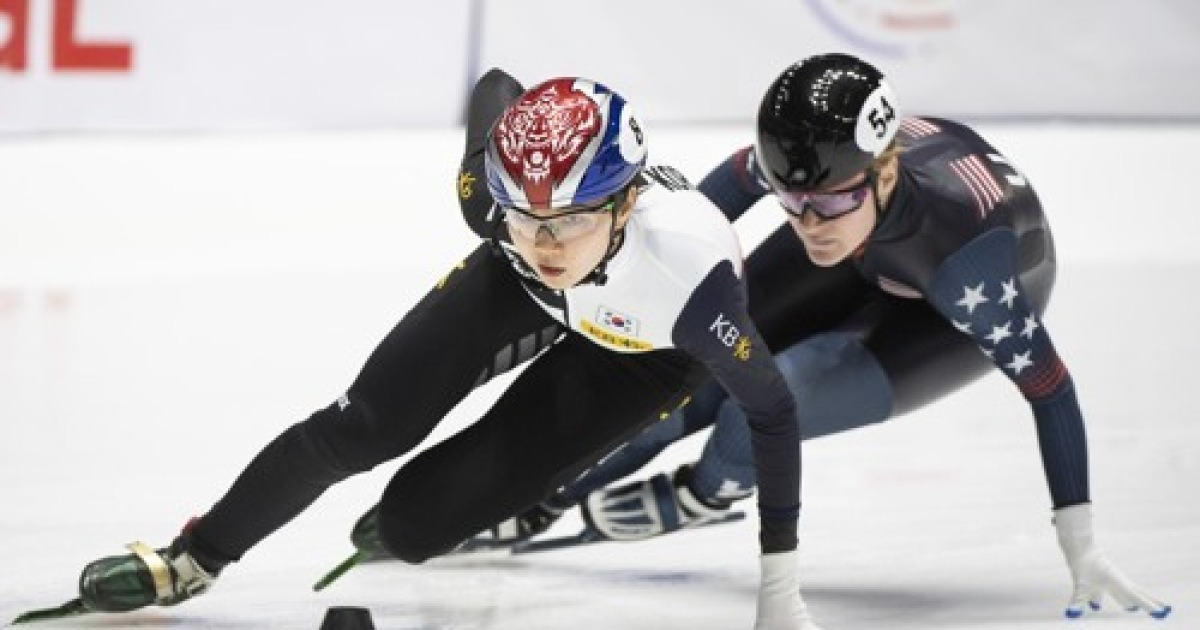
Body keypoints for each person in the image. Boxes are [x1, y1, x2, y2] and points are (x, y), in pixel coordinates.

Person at [23, 70, 821, 630]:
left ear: (627, 202)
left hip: (640, 347)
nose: (547, 242)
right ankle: (191, 558)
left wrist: (779, 591)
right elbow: (497, 87)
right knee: (362, 428)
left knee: (412, 529)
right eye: (524, 217)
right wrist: (528, 200)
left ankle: (415, 518)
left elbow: (774, 414)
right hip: (513, 291)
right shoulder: (496, 204)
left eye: (572, 219)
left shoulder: (693, 286)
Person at [460, 53, 1171, 621]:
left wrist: (1080, 540)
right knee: (681, 372)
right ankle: (544, 495)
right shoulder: (814, 169)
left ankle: (707, 492)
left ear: (885, 171)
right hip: (877, 249)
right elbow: (687, 223)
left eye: (826, 202)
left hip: (945, 310)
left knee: (760, 409)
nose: (807, 223)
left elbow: (1052, 390)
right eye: (789, 200)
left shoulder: (965, 261)